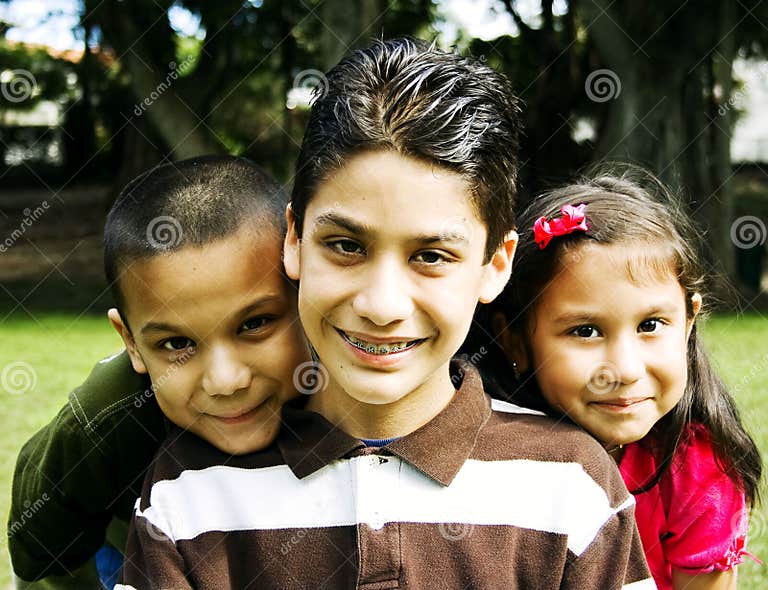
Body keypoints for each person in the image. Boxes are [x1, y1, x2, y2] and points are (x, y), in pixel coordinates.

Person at [118, 38, 654, 589]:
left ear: (496, 265)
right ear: (295, 239)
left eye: (430, 256)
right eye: (347, 246)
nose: (381, 306)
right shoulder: (189, 493)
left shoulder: (573, 489)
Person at [8, 155, 310, 589]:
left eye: (255, 324)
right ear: (130, 341)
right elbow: (44, 557)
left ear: (304, 291)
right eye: (177, 344)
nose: (225, 380)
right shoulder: (106, 417)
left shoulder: (354, 378)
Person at [484, 166, 762, 590]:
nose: (626, 370)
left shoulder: (696, 470)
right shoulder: (485, 457)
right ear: (516, 341)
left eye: (651, 325)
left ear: (688, 323)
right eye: (585, 331)